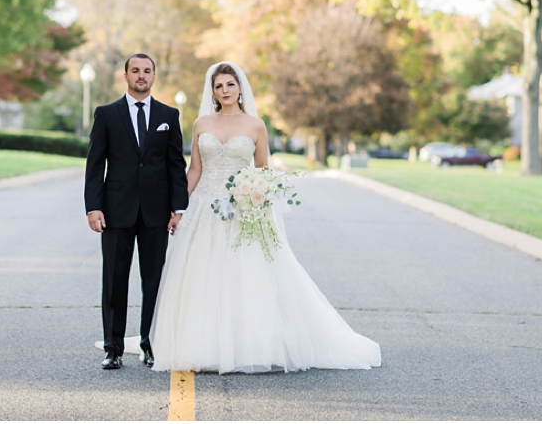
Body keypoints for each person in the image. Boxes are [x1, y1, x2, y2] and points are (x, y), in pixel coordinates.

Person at [149, 61, 382, 373]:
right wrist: (179, 207)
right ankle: (204, 346)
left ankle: (247, 344)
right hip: (205, 209)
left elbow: (263, 171)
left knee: (245, 278)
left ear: (240, 88)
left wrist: (256, 198)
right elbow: (195, 170)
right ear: (213, 92)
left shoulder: (255, 125)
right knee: (203, 276)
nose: (224, 91)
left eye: (230, 84)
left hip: (242, 209)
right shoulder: (201, 123)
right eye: (218, 86)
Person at [84, 53, 188, 370]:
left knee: (154, 281)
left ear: (154, 76)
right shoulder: (106, 114)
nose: (141, 75)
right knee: (114, 280)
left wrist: (178, 207)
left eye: (147, 71)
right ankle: (112, 348)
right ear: (125, 76)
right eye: (135, 71)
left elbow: (175, 165)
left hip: (157, 213)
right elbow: (94, 163)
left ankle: (150, 343)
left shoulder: (169, 114)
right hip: (116, 211)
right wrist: (93, 207)